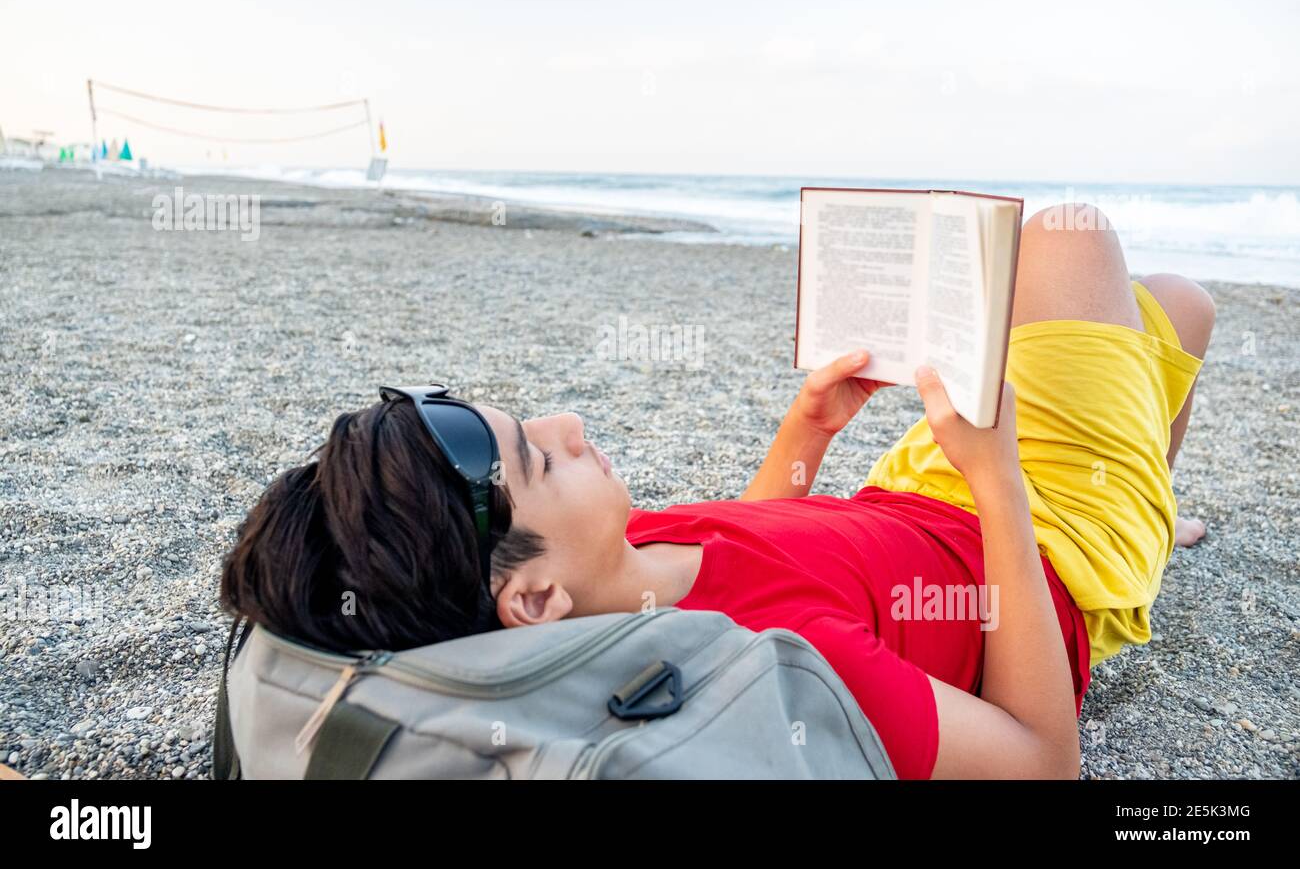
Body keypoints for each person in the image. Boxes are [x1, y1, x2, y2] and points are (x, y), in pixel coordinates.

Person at [220, 204, 1214, 779]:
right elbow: (1043, 760)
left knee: (1170, 308)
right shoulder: (784, 670)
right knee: (1074, 245)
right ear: (530, 599)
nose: (570, 425)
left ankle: (1148, 513)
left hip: (899, 498)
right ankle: (1133, 537)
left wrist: (805, 435)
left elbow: (751, 547)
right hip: (1030, 547)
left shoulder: (619, 574)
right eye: (544, 459)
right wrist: (999, 482)